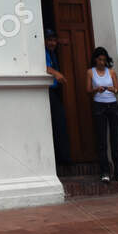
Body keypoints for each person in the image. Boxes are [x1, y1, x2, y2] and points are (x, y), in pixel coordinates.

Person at [89, 45, 118, 183]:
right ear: (95, 60)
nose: (102, 62)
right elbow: (88, 90)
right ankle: (105, 172)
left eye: (104, 60)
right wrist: (96, 90)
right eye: (99, 60)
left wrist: (113, 89)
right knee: (102, 141)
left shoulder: (111, 72)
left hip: (112, 105)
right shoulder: (90, 72)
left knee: (115, 140)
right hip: (99, 105)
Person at [44, 28, 70, 170]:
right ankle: (61, 159)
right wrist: (56, 73)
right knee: (57, 122)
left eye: (54, 40)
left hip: (55, 91)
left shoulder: (53, 53)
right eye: (49, 40)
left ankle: (63, 157)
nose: (52, 43)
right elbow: (43, 66)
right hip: (48, 91)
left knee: (60, 121)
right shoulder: (43, 53)